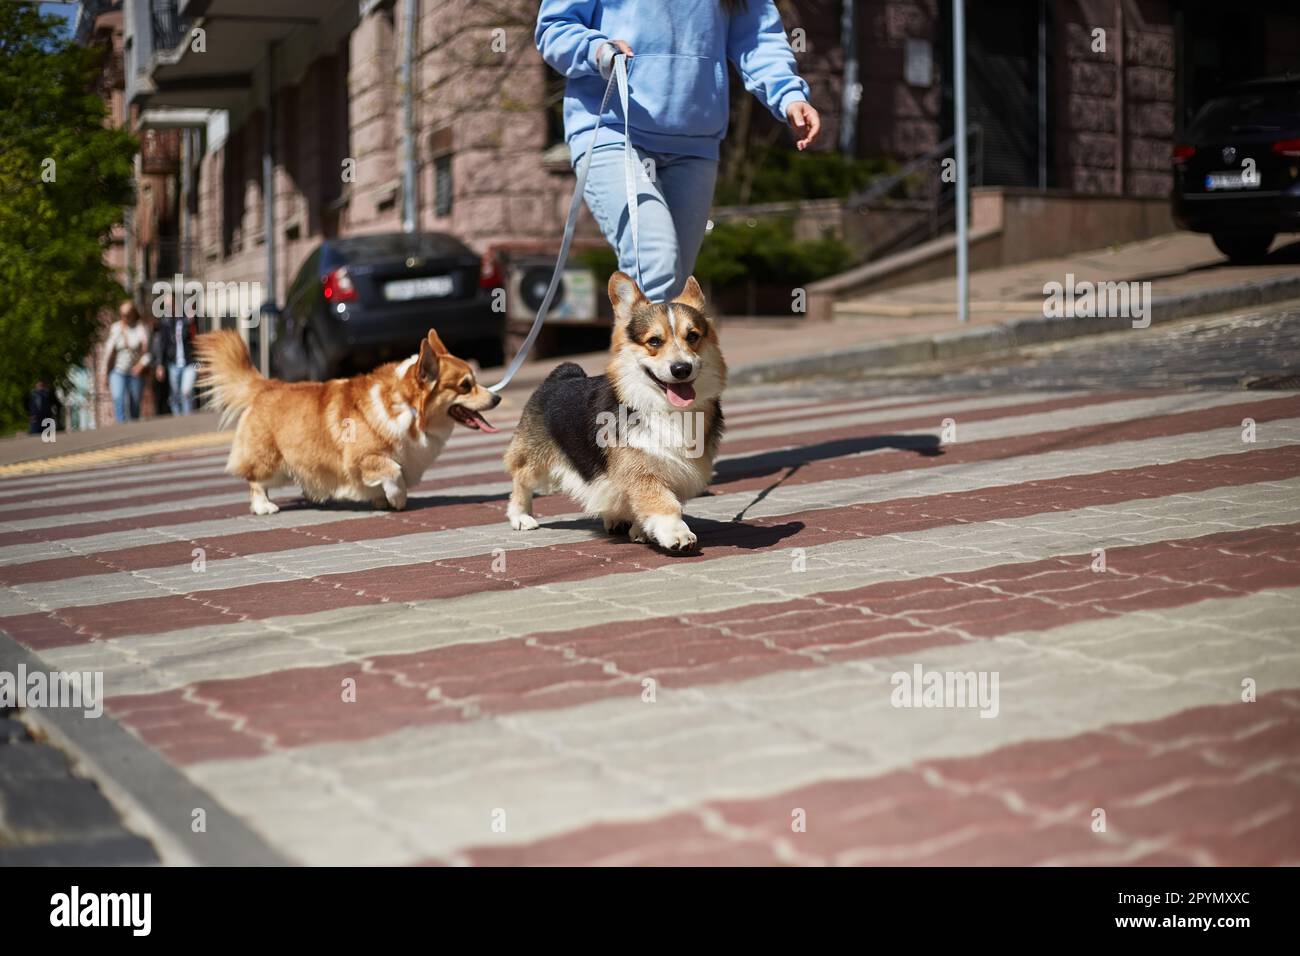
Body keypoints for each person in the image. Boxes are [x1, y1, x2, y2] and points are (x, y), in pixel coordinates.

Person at [536, 0, 821, 302]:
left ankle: (653, 350)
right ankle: (659, 351)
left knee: (672, 290)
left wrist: (788, 95)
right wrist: (596, 49)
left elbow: (758, 37)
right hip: (613, 129)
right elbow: (555, 28)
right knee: (655, 264)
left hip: (694, 143)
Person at [102, 301, 151, 423]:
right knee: (118, 399)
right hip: (118, 371)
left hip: (135, 372)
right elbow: (108, 353)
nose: (125, 317)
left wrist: (141, 365)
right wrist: (104, 373)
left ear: (133, 313)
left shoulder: (141, 328)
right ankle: (121, 426)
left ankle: (133, 427)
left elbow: (149, 353)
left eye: (128, 314)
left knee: (134, 403)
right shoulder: (116, 328)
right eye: (122, 314)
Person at [156, 302, 199, 415]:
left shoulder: (189, 319)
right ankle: (177, 418)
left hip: (190, 362)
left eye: (171, 304)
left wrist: (199, 364)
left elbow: (197, 341)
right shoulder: (165, 323)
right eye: (166, 306)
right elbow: (162, 345)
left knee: (186, 391)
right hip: (173, 363)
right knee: (175, 394)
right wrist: (160, 365)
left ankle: (187, 418)